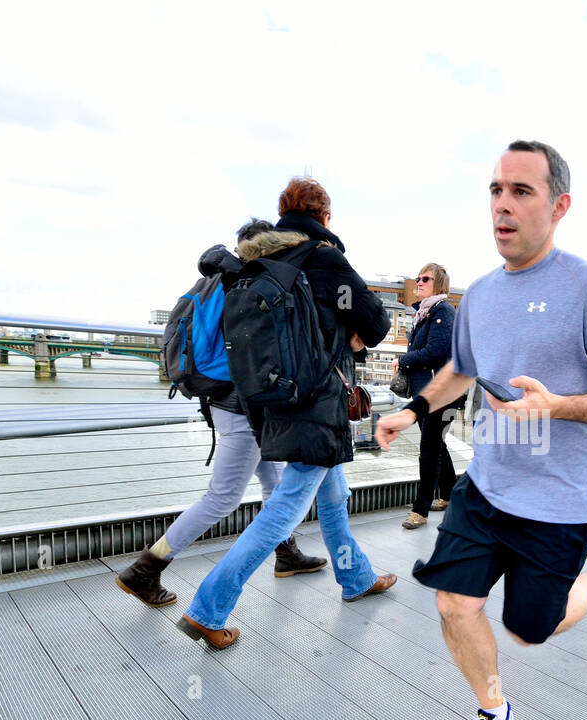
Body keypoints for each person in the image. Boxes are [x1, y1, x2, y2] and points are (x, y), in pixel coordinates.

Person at [375, 140, 587, 720]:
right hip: (489, 486)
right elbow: (463, 370)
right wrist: (412, 411)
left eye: (521, 192)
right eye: (496, 190)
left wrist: (558, 407)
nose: (502, 205)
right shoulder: (481, 297)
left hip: (559, 500)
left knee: (533, 631)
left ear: (559, 206)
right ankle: (494, 716)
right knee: (453, 603)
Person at [175, 177, 395, 649]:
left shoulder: (259, 263)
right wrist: (353, 333)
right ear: (326, 217)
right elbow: (375, 321)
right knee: (283, 512)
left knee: (334, 496)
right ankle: (207, 610)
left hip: (270, 401)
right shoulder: (321, 256)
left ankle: (355, 577)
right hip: (317, 402)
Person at [116, 220, 326, 608]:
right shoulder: (244, 284)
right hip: (240, 408)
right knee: (223, 497)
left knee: (274, 483)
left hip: (224, 402)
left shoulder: (217, 280)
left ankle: (287, 553)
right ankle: (145, 569)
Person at [396, 263, 463, 529]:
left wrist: (404, 360)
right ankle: (449, 495)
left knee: (429, 450)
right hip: (429, 392)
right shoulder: (424, 313)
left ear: (439, 285)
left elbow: (435, 351)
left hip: (442, 392)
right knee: (435, 444)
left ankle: (420, 510)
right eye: (418, 278)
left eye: (426, 279)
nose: (419, 282)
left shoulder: (443, 311)